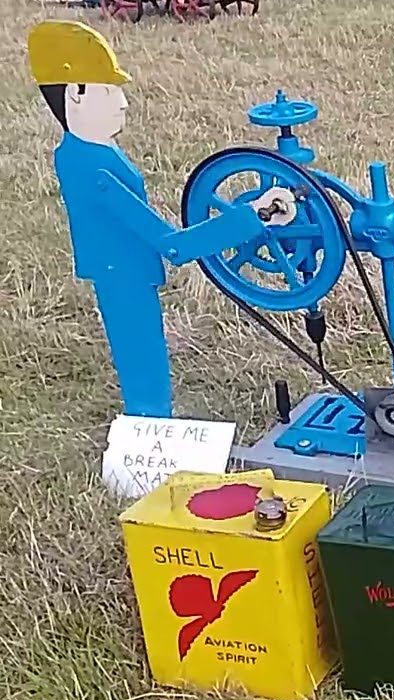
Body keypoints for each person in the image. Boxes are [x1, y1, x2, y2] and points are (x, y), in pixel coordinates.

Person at [27, 20, 295, 419]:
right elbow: (174, 246)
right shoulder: (93, 168)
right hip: (123, 275)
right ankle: (150, 440)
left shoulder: (85, 151)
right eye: (109, 90)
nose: (123, 103)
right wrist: (255, 215)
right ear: (76, 93)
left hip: (123, 270)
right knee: (144, 371)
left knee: (143, 360)